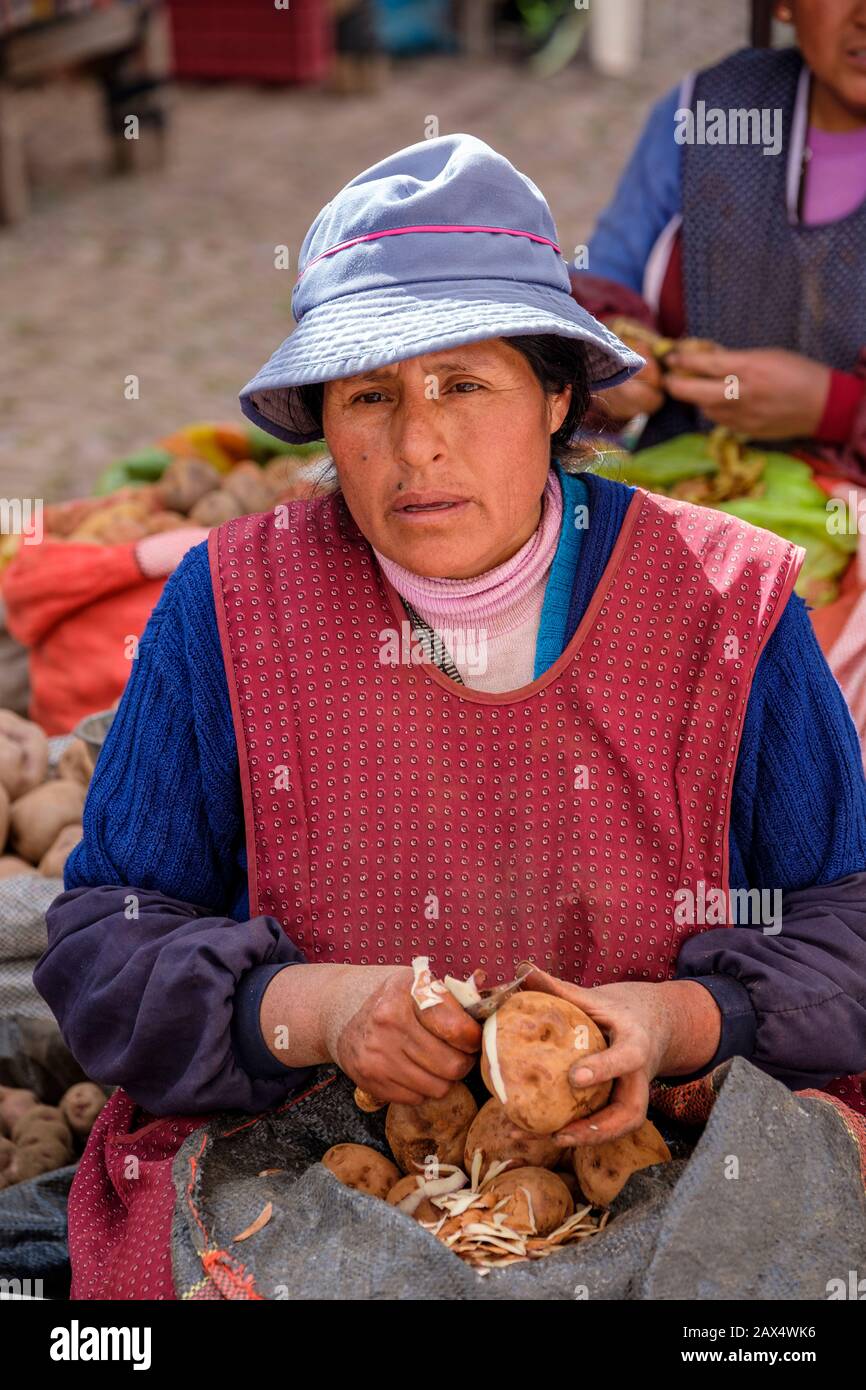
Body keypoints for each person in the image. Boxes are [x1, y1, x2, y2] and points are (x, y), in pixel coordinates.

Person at [36, 132, 866, 1301]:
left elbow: (850, 916)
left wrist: (679, 1020)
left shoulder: (725, 605)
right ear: (323, 419)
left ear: (559, 392)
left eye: (464, 385)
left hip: (663, 1162)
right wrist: (317, 1011)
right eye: (369, 395)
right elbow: (104, 941)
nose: (416, 443)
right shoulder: (226, 610)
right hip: (329, 1168)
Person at [570, 0, 866, 477]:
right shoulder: (707, 114)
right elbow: (591, 300)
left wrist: (835, 409)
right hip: (692, 506)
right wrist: (607, 370)